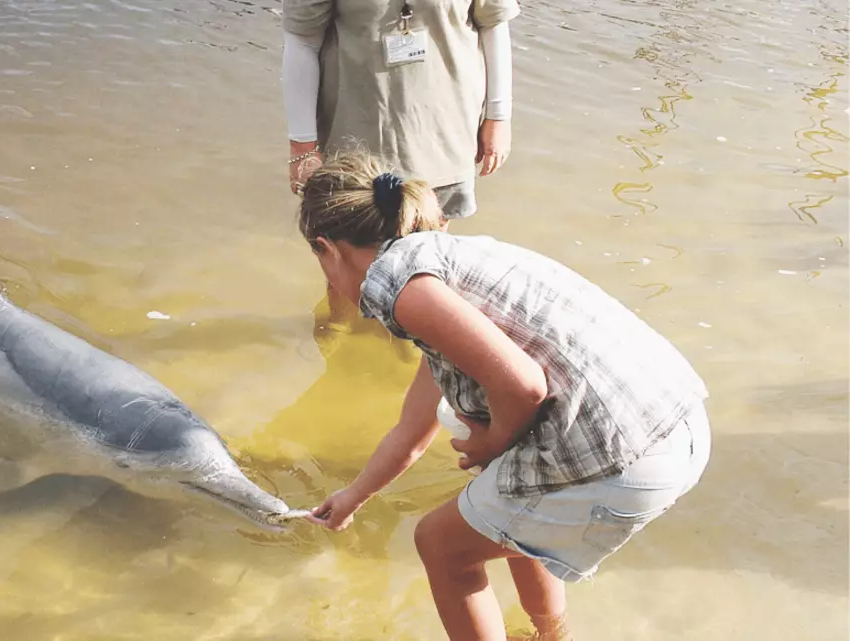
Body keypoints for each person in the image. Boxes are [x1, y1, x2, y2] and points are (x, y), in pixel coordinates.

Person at [296, 152, 711, 641]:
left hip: (623, 454)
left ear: (328, 249)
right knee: (503, 511)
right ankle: (550, 635)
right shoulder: (443, 264)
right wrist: (351, 498)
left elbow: (524, 385)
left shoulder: (394, 285)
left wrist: (494, 440)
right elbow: (412, 432)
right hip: (677, 427)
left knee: (440, 545)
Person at [281, 0, 519, 218]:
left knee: (428, 253)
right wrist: (303, 146)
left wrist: (498, 117)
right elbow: (303, 40)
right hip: (355, 149)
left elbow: (494, 23)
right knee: (358, 253)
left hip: (446, 138)